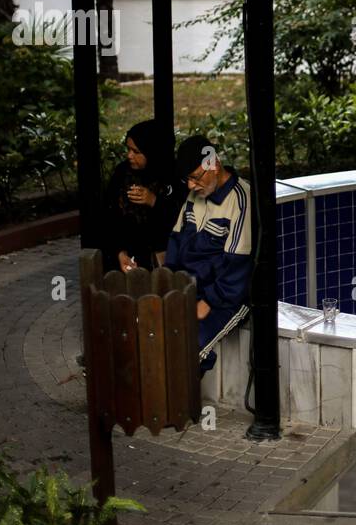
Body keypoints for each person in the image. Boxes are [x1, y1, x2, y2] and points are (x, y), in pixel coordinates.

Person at [165, 135, 253, 374]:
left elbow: (237, 268)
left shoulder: (241, 199)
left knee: (190, 350)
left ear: (213, 165)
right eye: (187, 179)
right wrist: (168, 286)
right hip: (189, 289)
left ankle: (180, 409)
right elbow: (175, 242)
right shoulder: (194, 197)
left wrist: (207, 302)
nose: (190, 186)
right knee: (151, 330)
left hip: (225, 300)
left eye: (194, 177)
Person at [101, 120, 183, 274]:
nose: (129, 155)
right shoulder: (122, 173)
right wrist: (120, 252)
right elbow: (109, 218)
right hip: (126, 258)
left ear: (153, 152)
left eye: (136, 152)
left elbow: (182, 220)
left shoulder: (172, 177)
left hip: (164, 262)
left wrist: (154, 201)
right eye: (128, 149)